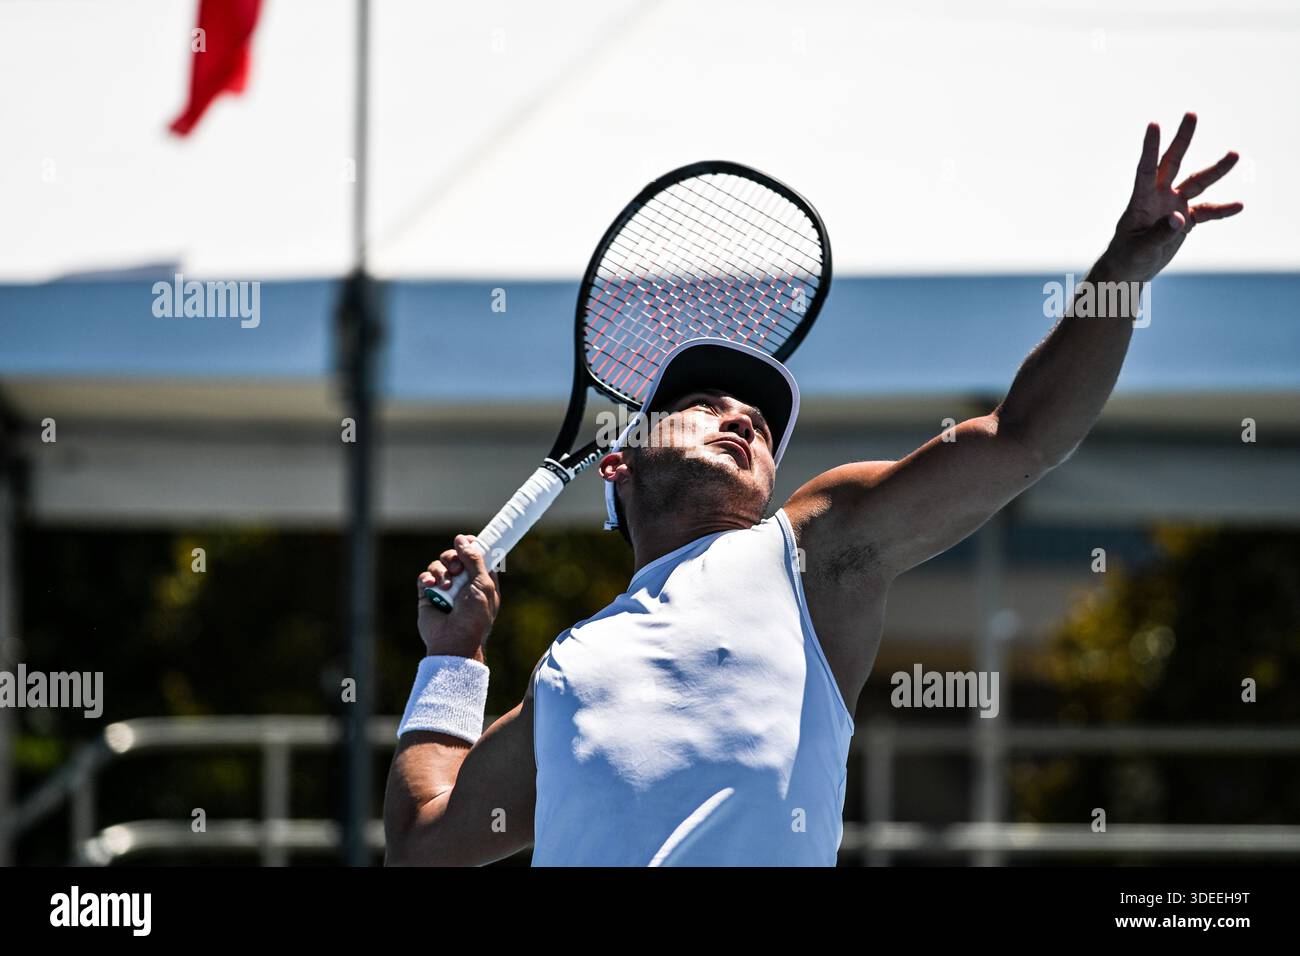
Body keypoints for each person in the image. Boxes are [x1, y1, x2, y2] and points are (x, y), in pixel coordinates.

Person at [383, 114, 1242, 866]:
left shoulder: (810, 551)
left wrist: (1124, 267)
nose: (743, 418)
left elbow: (1024, 438)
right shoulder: (570, 666)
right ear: (621, 460)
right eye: (700, 403)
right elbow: (424, 842)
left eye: (757, 418)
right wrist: (453, 659)